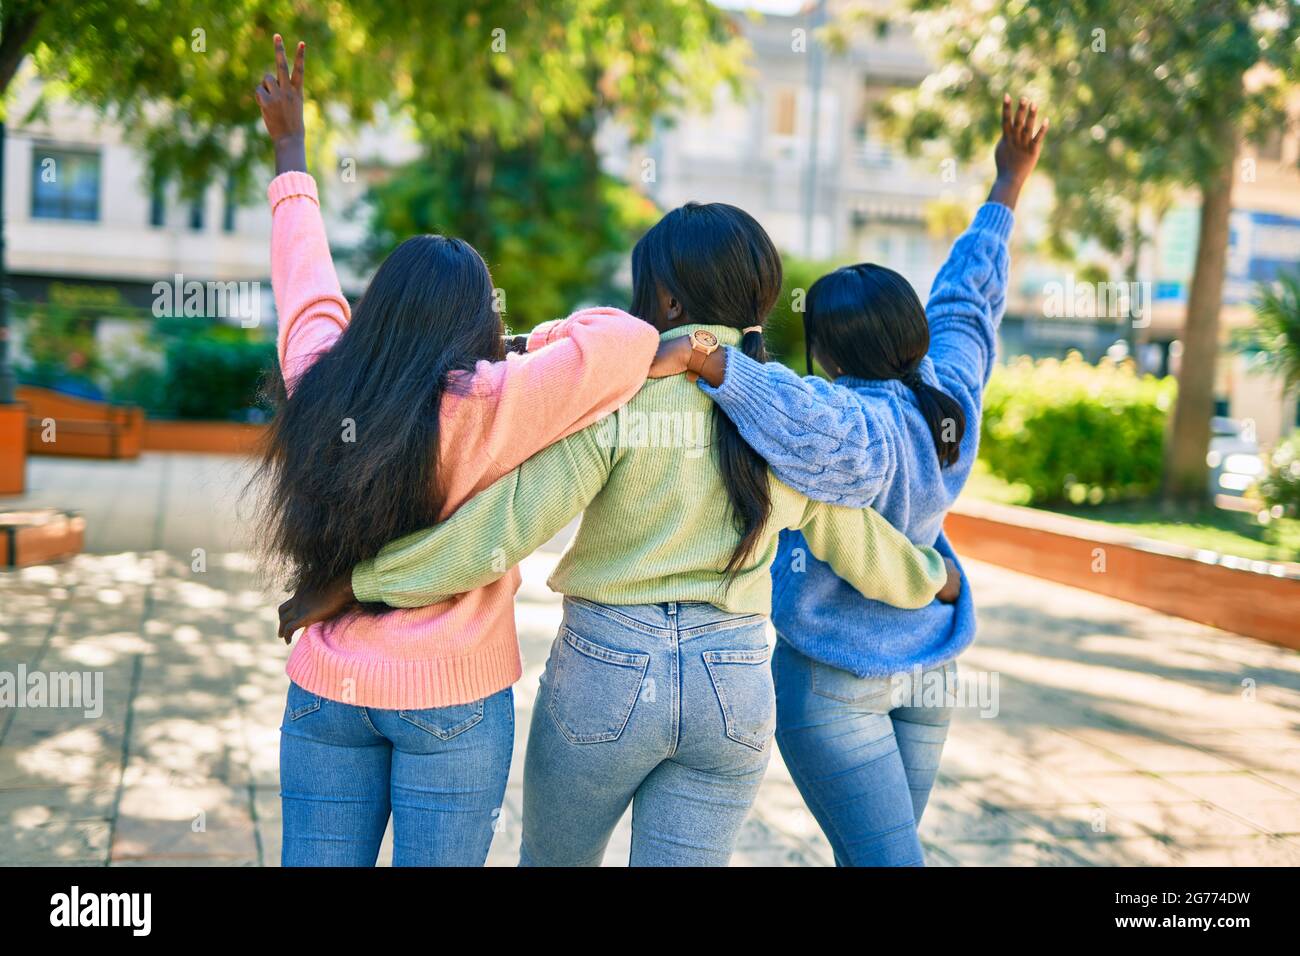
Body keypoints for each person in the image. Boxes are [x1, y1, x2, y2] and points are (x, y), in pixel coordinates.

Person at [291, 200, 962, 866]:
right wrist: (935, 579)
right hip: (732, 685)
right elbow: (860, 542)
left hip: (608, 674)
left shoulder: (619, 400)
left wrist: (361, 583)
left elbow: (499, 532)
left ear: (665, 301)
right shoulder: (787, 413)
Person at [253, 35, 660, 866]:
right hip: (454, 698)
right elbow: (627, 339)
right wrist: (519, 348)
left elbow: (305, 289)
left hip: (328, 691)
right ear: (480, 321)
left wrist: (290, 152)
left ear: (376, 315)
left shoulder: (322, 385)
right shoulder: (493, 400)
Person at [643, 94, 1048, 865]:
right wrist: (1008, 187)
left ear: (826, 357)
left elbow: (798, 415)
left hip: (836, 683)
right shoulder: (950, 396)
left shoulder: (852, 423)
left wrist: (705, 357)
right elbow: (969, 297)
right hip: (931, 665)